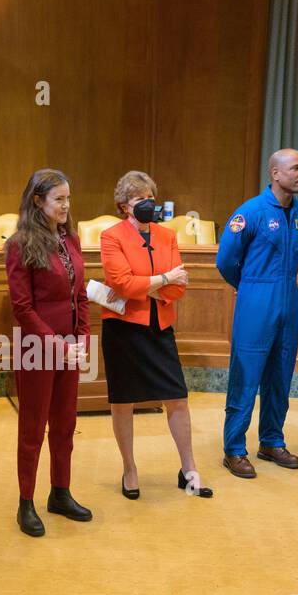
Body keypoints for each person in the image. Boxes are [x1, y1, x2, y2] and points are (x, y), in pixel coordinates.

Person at [99, 170, 212, 500]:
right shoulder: (112, 236)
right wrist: (162, 279)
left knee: (177, 398)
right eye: (140, 200)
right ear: (124, 206)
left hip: (159, 327)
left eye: (151, 198)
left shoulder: (167, 236)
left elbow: (179, 288)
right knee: (123, 401)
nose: (148, 205)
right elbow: (121, 283)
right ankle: (130, 469)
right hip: (123, 329)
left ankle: (189, 470)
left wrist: (147, 284)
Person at [4, 169, 93, 536]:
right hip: (36, 349)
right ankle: (26, 502)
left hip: (70, 348)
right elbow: (22, 308)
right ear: (38, 201)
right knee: (32, 428)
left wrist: (83, 339)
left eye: (68, 199)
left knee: (65, 425)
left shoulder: (69, 238)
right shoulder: (20, 244)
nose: (66, 206)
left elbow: (81, 295)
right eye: (59, 200)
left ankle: (60, 492)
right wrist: (56, 344)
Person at [217, 149, 298, 478]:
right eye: (295, 168)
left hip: (289, 298)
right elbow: (226, 261)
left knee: (280, 375)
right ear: (275, 173)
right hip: (256, 300)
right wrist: (248, 288)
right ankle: (234, 448)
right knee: (246, 375)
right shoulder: (250, 212)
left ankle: (271, 440)